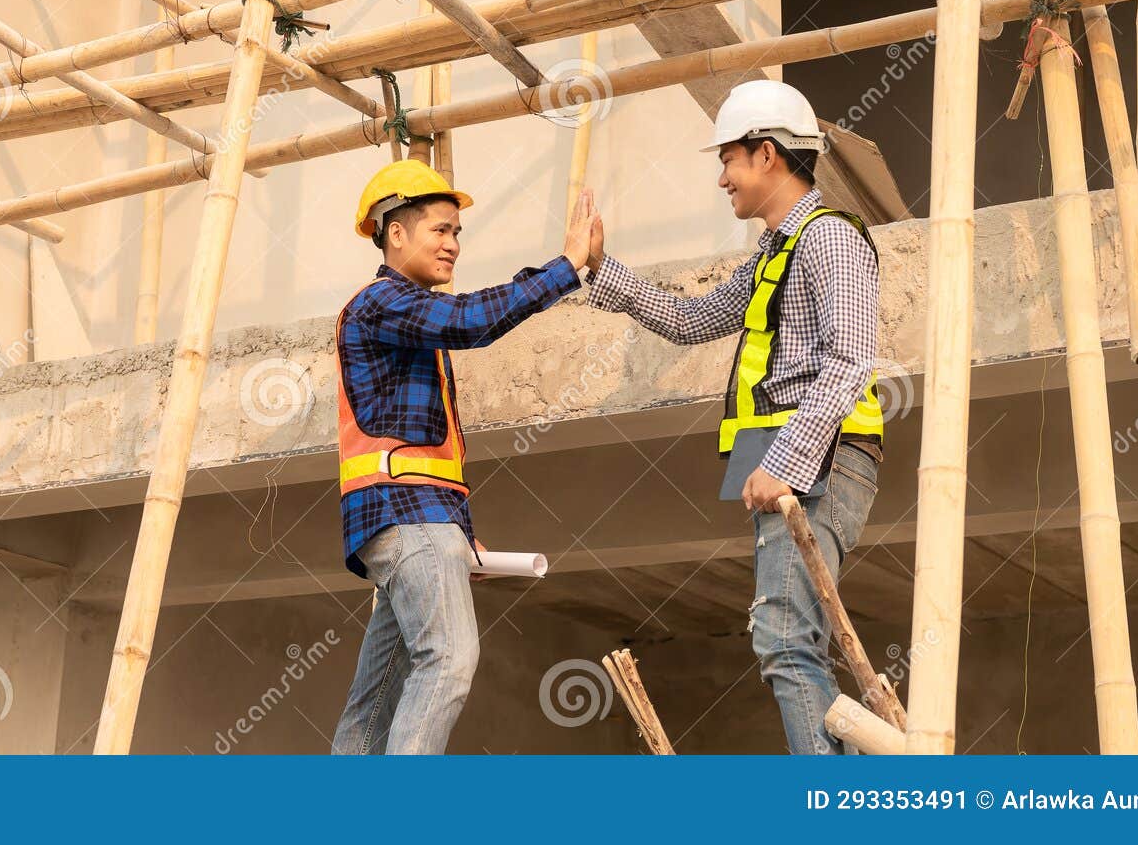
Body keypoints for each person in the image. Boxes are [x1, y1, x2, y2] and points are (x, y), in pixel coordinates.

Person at [584, 81, 884, 754]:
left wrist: (785, 462)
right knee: (786, 637)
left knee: (784, 637)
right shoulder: (777, 250)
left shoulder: (830, 239)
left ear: (769, 155)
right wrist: (602, 270)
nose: (722, 178)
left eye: (730, 160)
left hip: (820, 459)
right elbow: (693, 320)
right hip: (793, 458)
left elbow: (851, 359)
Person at [332, 158, 599, 754]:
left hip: (409, 520)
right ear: (395, 232)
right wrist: (567, 267)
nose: (454, 244)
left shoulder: (404, 321)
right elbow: (471, 321)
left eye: (458, 232)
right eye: (441, 230)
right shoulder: (383, 303)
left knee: (376, 698)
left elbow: (429, 451)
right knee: (449, 659)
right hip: (407, 520)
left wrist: (459, 530)